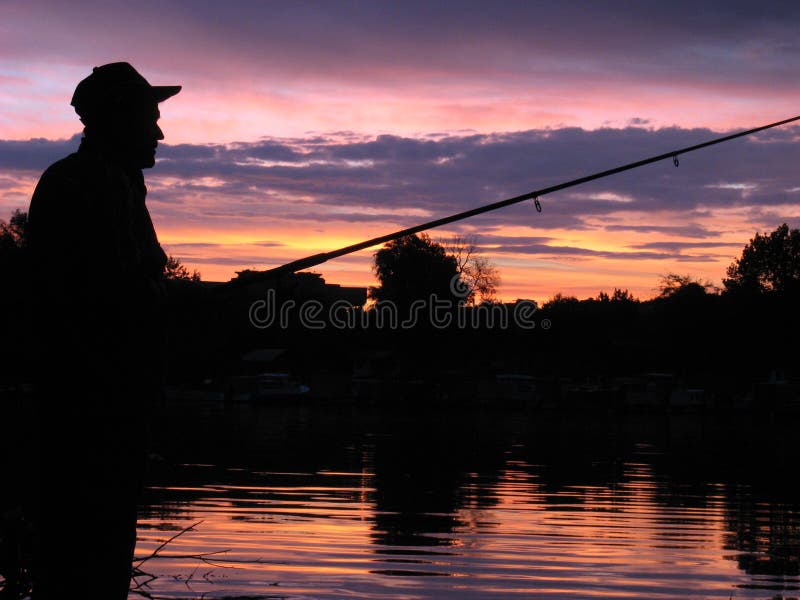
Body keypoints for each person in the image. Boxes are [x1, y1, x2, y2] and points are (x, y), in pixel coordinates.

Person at [25, 62, 181, 599]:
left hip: (109, 406)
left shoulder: (116, 182)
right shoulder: (85, 184)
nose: (159, 133)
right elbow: (99, 297)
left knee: (100, 553)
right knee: (85, 555)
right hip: (90, 410)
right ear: (117, 119)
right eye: (149, 118)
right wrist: (158, 304)